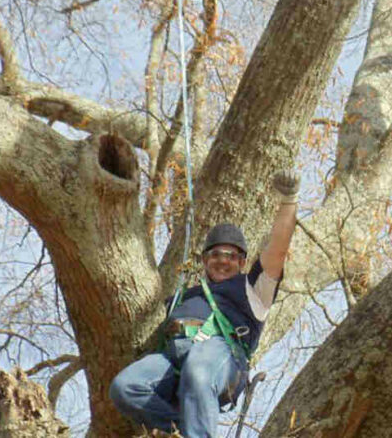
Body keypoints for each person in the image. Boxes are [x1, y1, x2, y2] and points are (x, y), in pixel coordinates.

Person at [109, 170, 300, 437]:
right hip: (174, 358)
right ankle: (180, 430)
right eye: (215, 254)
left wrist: (288, 201)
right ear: (204, 261)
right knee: (126, 386)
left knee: (198, 368)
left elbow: (277, 250)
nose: (223, 260)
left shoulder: (253, 289)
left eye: (232, 256)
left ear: (242, 262)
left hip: (220, 355)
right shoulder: (184, 296)